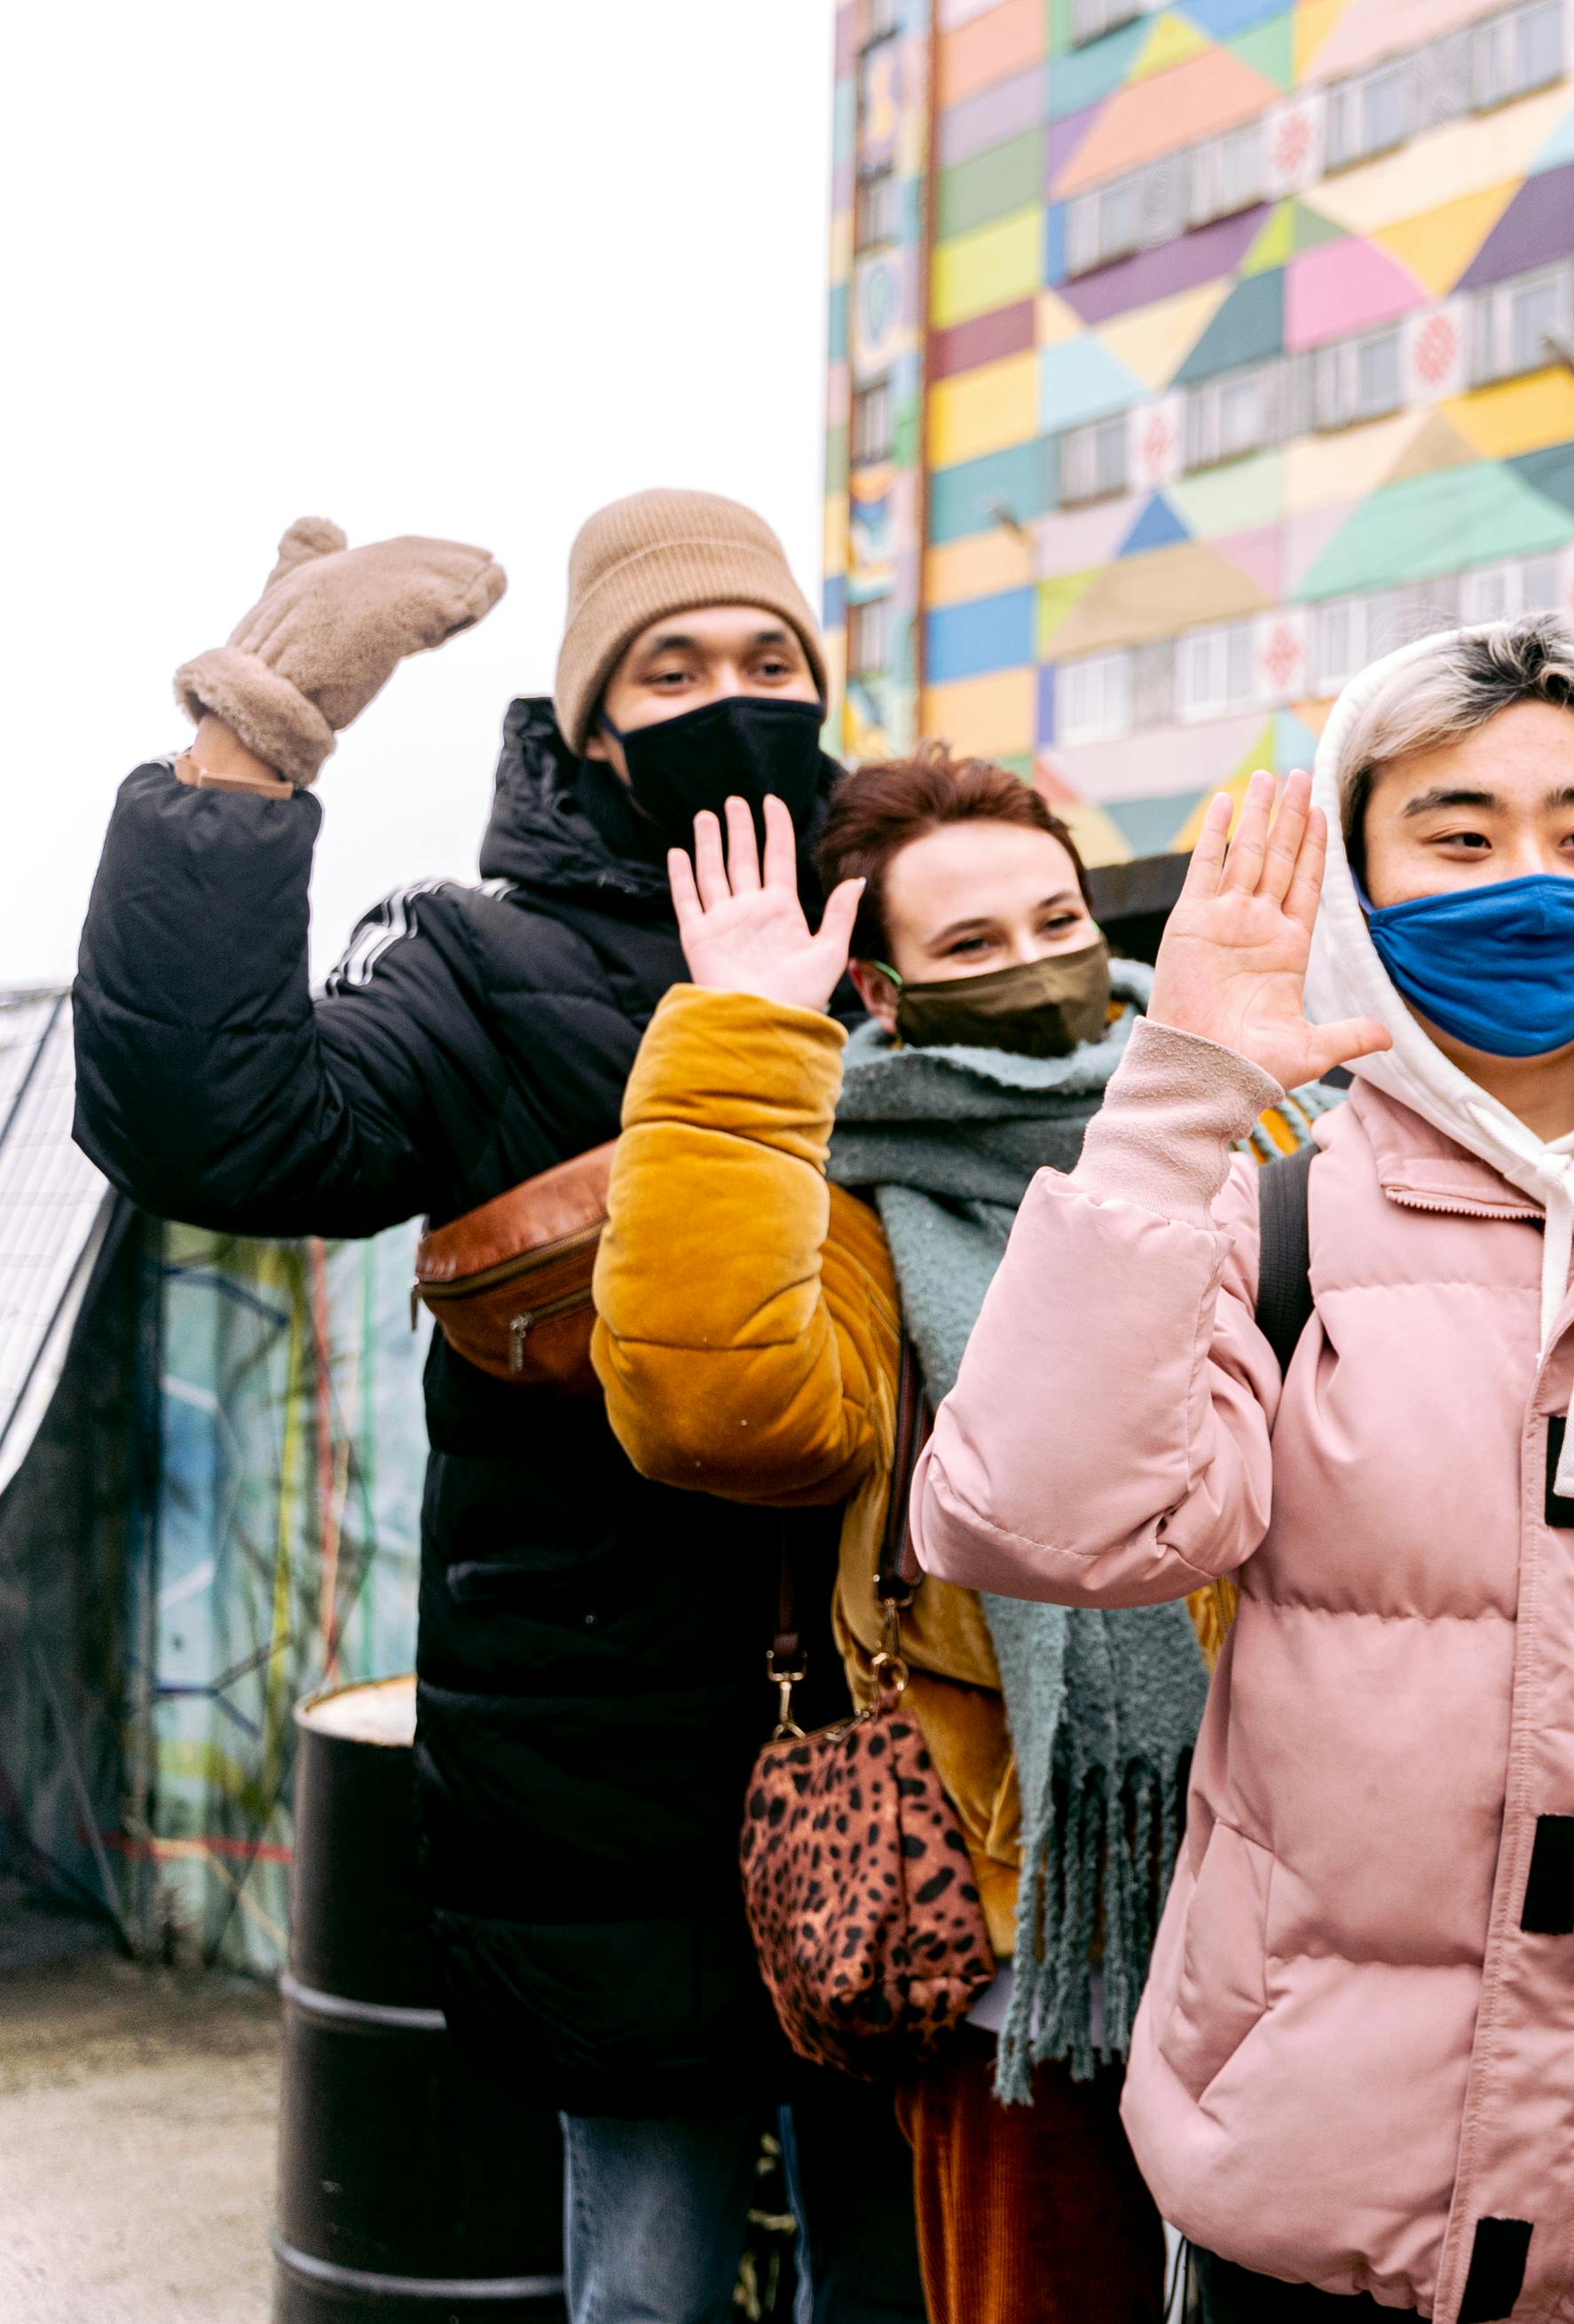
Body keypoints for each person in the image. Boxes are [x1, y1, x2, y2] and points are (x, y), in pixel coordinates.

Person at [909, 617, 1574, 2324]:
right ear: (1361, 880)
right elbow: (1031, 1518)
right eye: (1459, 837)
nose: (1531, 881)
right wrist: (1177, 1096)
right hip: (1319, 2199)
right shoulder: (1277, 1212)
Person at [72, 498, 924, 2324]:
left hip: (906, 1728)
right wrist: (252, 741)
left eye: (768, 662)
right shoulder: (479, 958)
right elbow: (213, 1123)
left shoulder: (901, 934)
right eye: (668, 669)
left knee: (903, 2270)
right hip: (601, 1763)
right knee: (646, 2278)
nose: (728, 698)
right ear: (593, 723)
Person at [589, 751, 1240, 2322]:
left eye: (1058, 916)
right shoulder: (853, 1213)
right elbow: (712, 1404)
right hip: (1031, 1932)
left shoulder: (1250, 1115)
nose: (1034, 965)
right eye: (969, 946)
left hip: (1293, 1894)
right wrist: (747, 1043)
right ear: (881, 993)